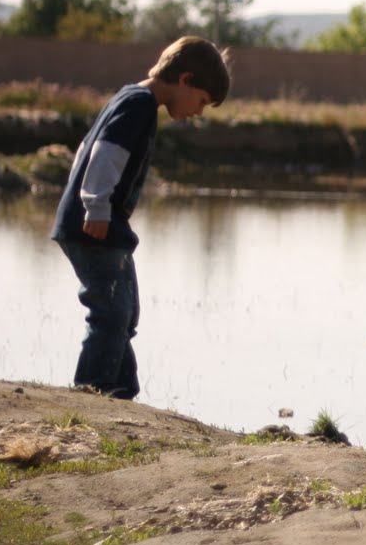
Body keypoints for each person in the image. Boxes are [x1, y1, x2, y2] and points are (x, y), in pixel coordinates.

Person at [50, 36, 231, 400]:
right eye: (200, 102)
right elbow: (103, 155)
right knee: (110, 312)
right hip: (94, 226)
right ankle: (93, 390)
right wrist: (95, 205)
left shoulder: (131, 97)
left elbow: (84, 150)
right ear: (185, 80)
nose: (198, 112)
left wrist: (86, 201)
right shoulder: (139, 105)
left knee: (124, 313)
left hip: (98, 223)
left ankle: (121, 390)